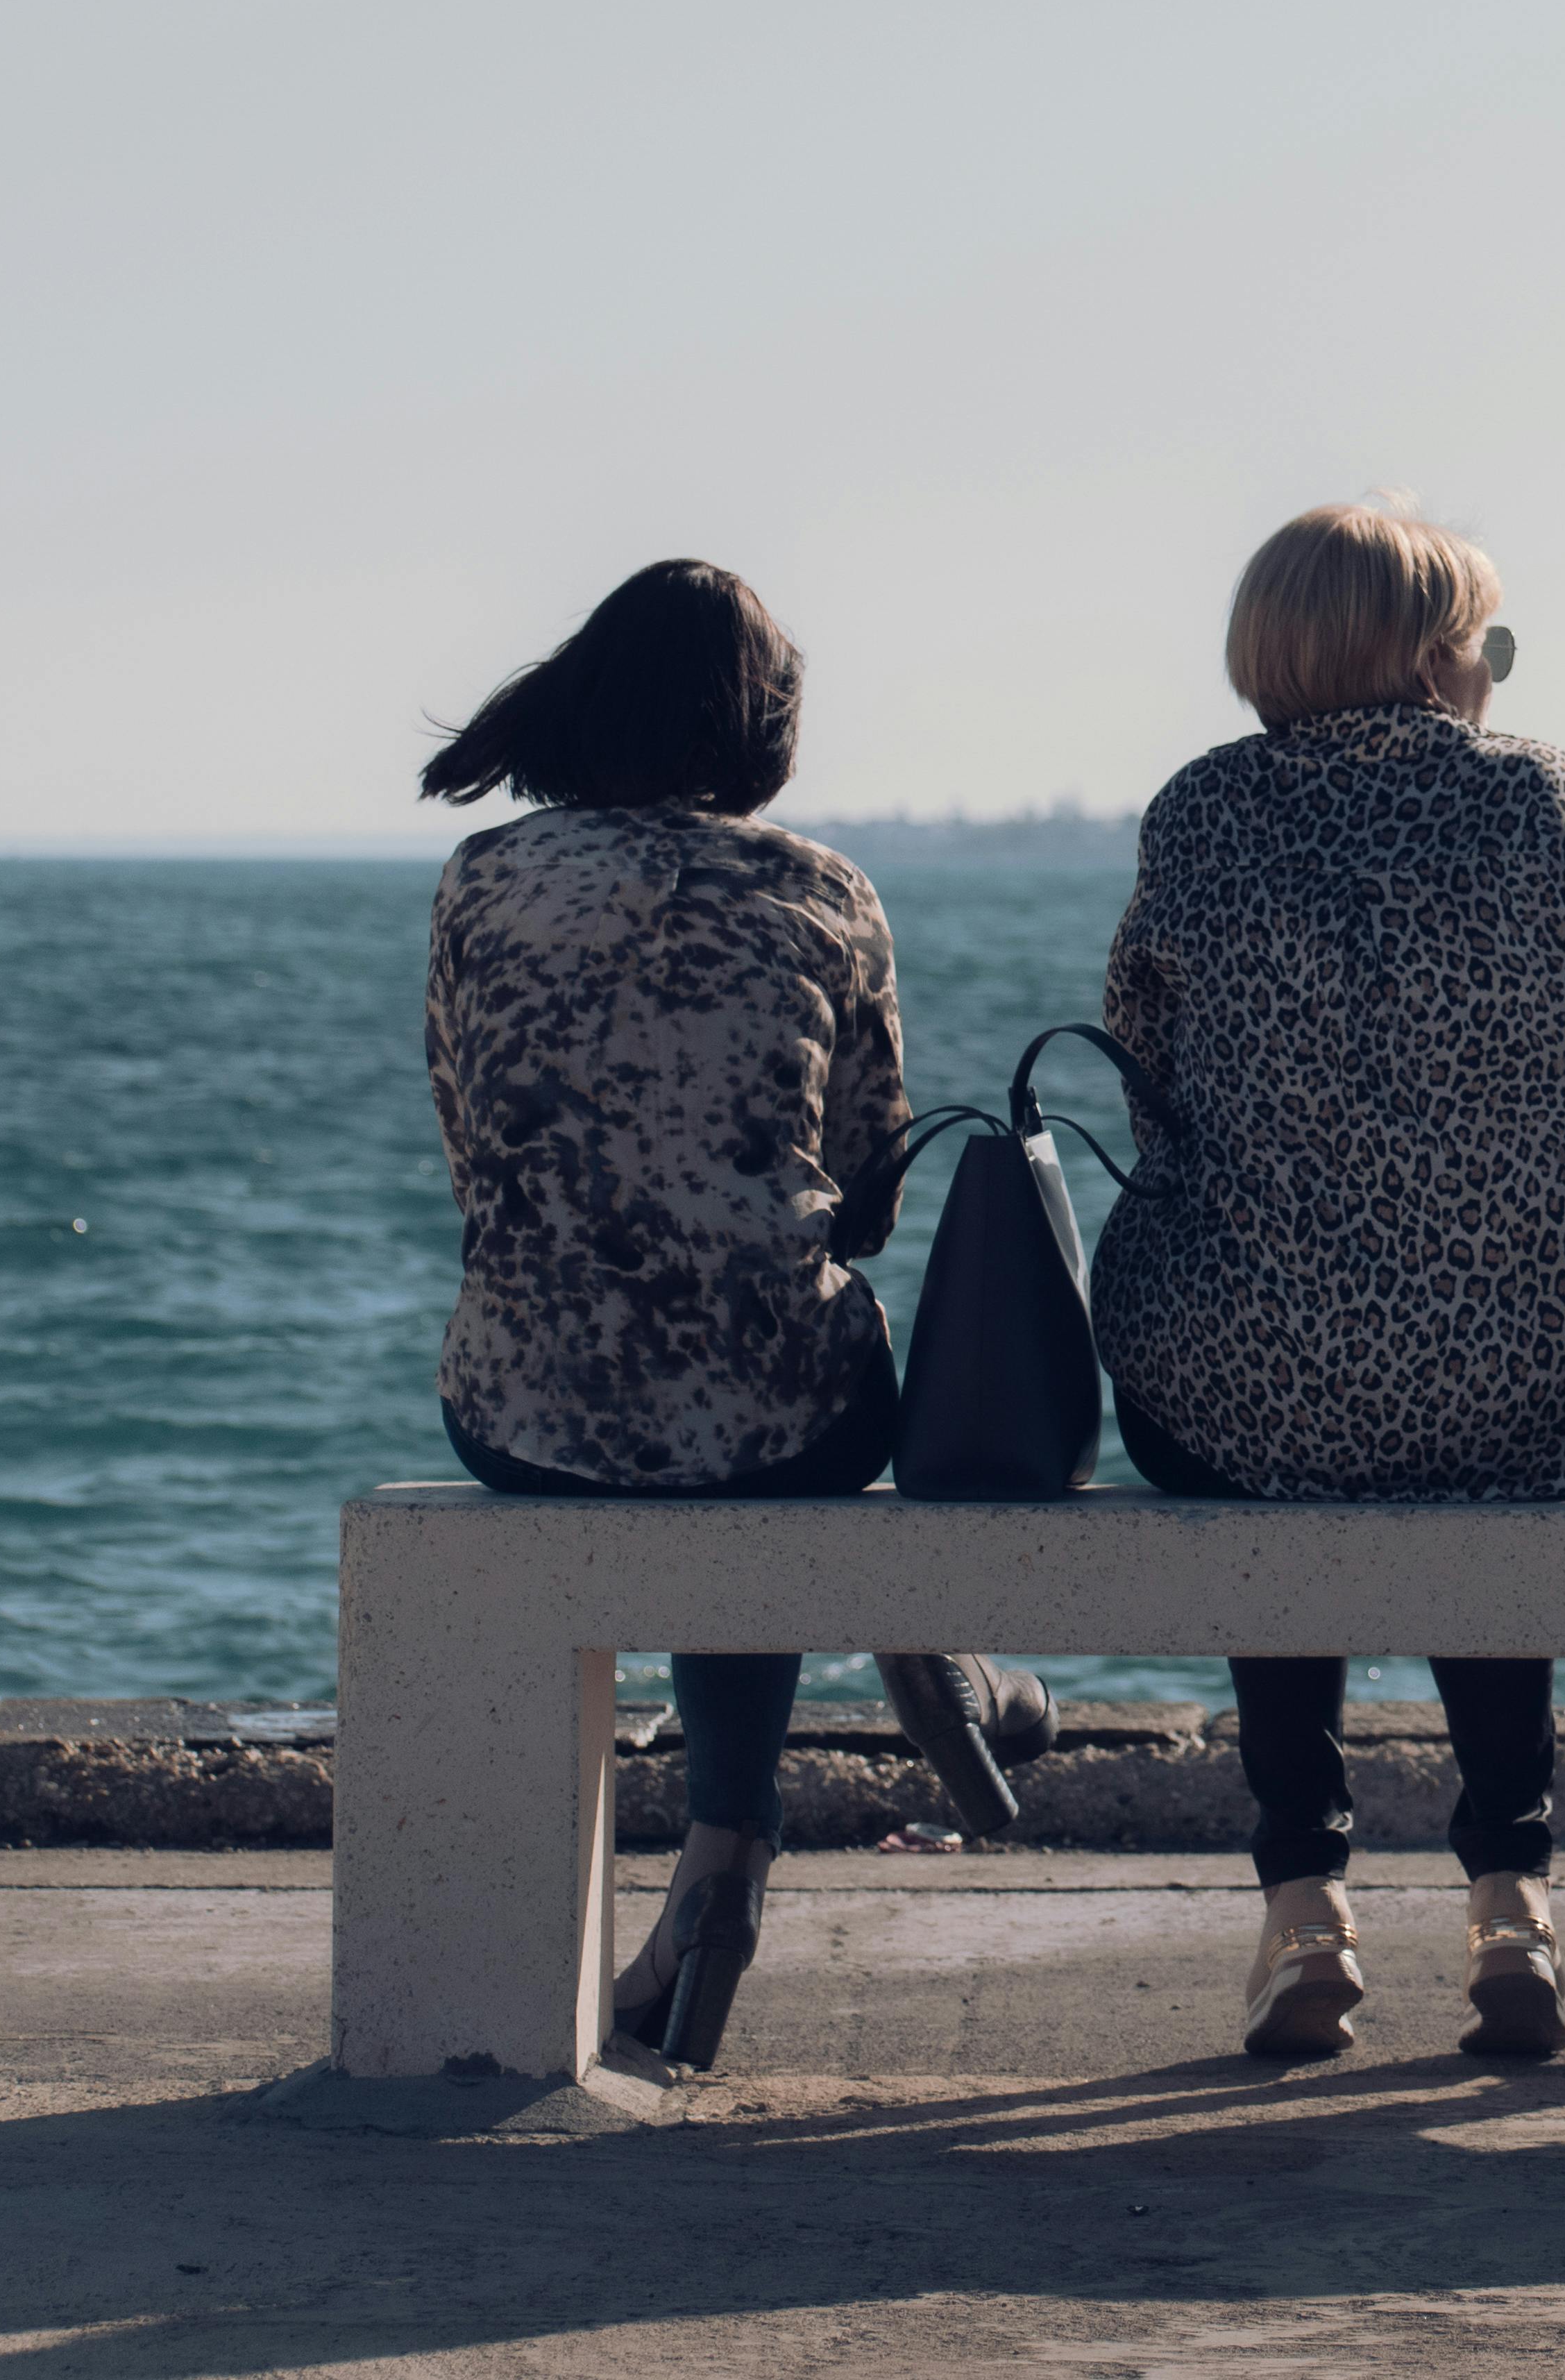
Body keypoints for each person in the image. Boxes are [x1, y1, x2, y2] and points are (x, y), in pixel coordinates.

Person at [1089, 502, 1565, 2063]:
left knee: (1267, 1405)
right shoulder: (1551, 800)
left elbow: (1149, 1081)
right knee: (1492, 1437)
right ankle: (1513, 1900)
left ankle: (1306, 1905)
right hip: (1529, 1393)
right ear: (1436, 658)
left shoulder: (1198, 814)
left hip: (1248, 1390)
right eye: (1487, 642)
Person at [418, 559, 1050, 2076]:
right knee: (766, 1392)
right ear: (760, 722)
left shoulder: (483, 881)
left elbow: (472, 1149)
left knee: (697, 1386)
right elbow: (872, 1187)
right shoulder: (823, 890)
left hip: (518, 1411)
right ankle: (739, 1857)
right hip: (782, 1417)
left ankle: (724, 1880)